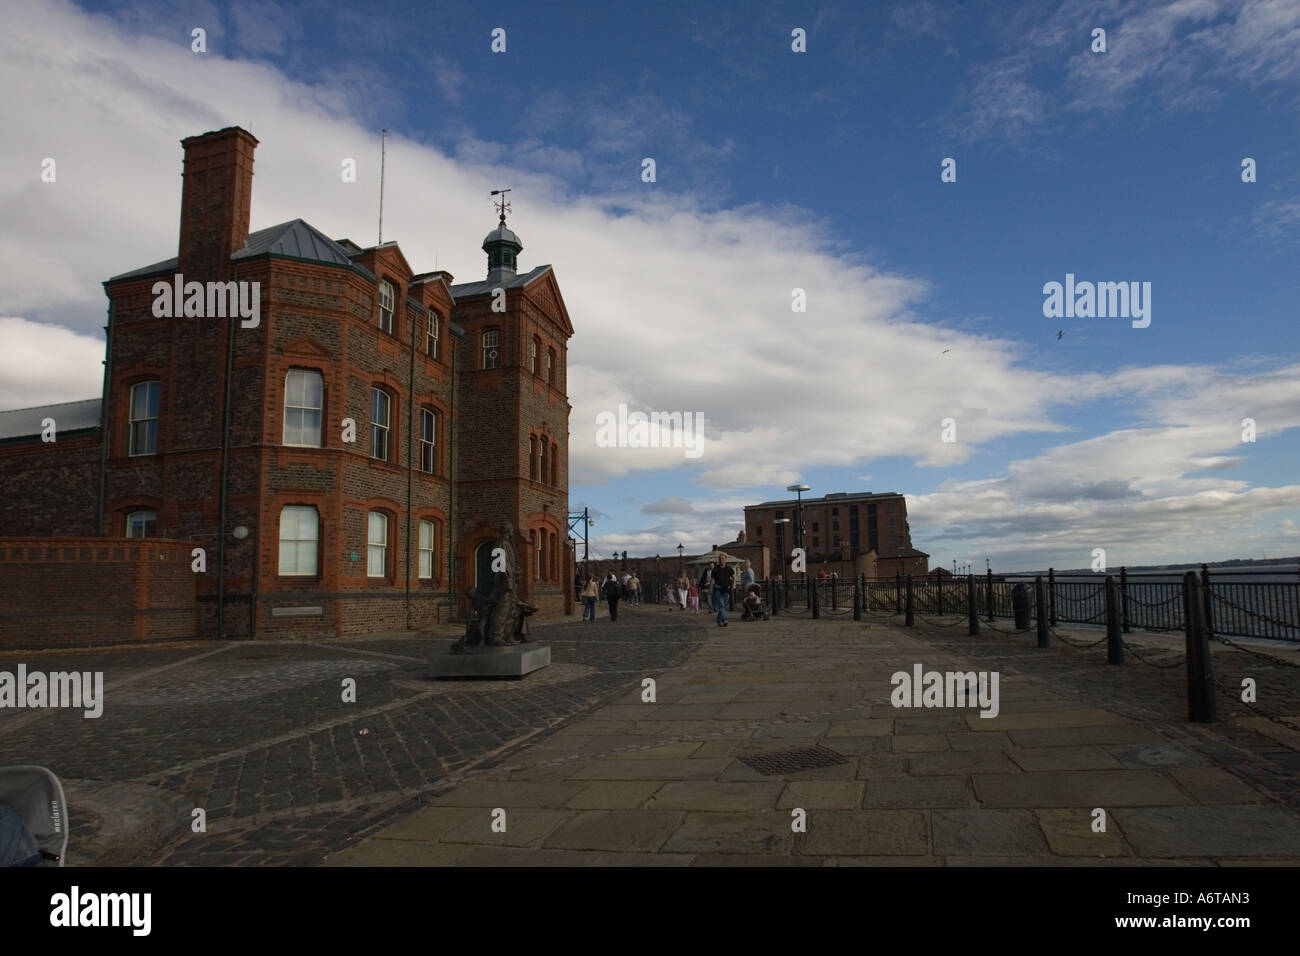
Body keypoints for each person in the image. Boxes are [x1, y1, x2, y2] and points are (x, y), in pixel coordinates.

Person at [710, 554, 735, 627]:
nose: (721, 560)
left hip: (726, 589)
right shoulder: (716, 569)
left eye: (723, 559)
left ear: (725, 560)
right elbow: (712, 579)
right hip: (718, 589)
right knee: (721, 604)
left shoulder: (728, 568)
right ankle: (724, 619)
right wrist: (710, 588)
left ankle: (719, 621)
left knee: (723, 606)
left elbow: (733, 577)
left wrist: (733, 586)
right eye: (720, 559)